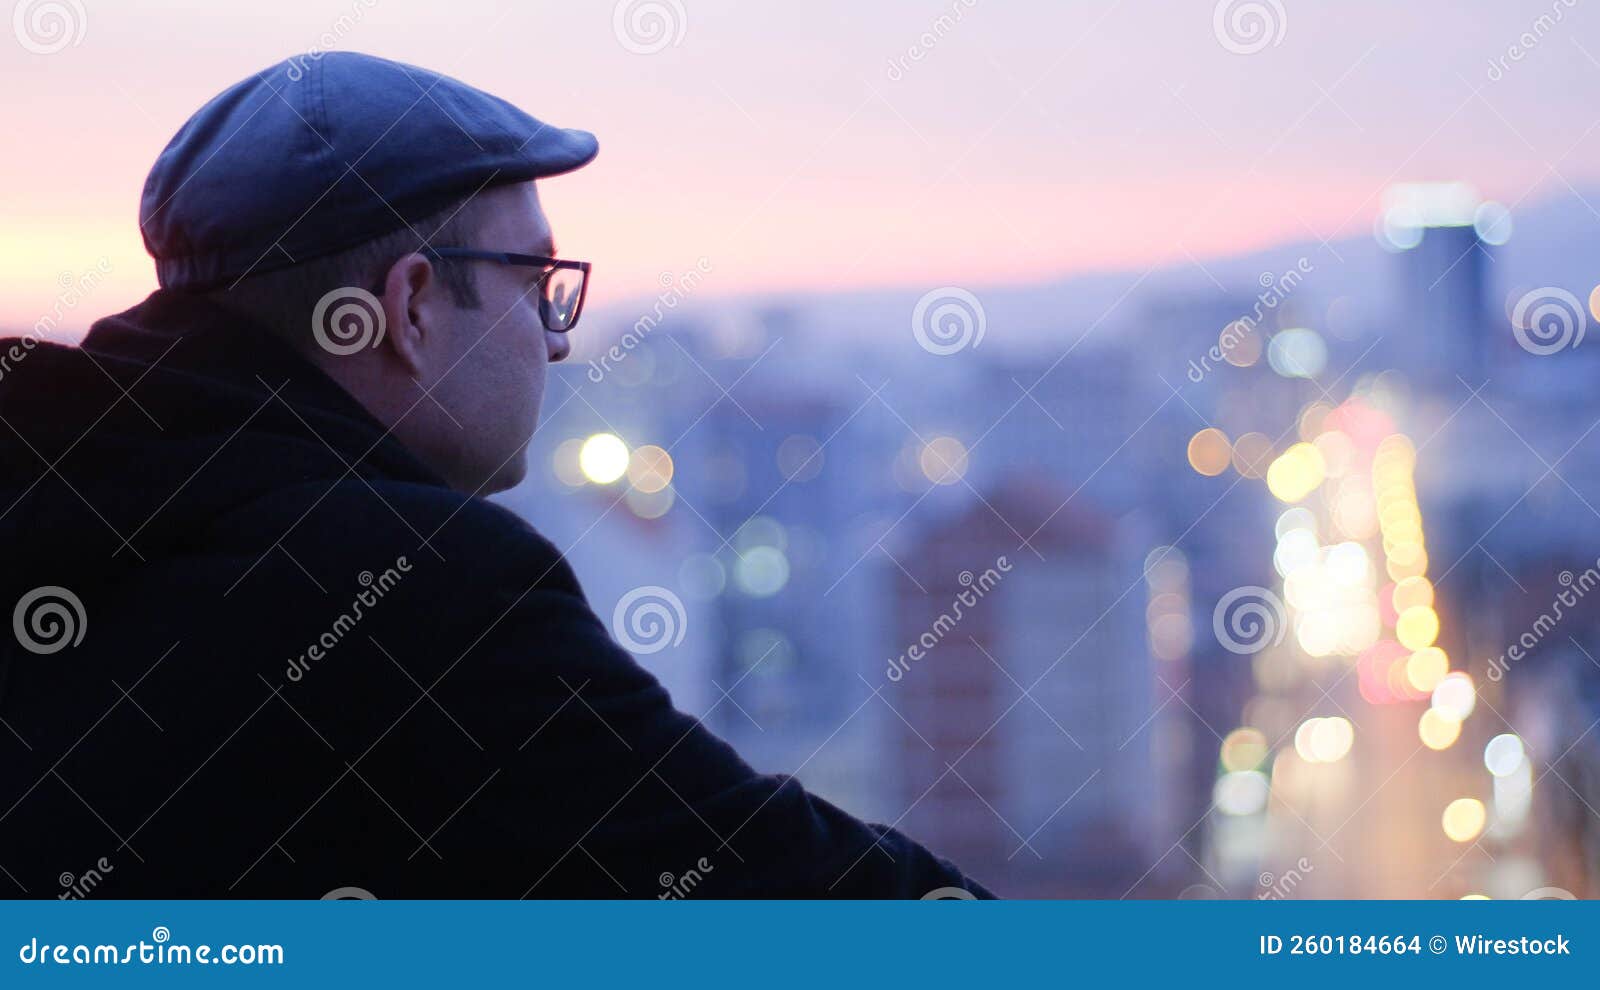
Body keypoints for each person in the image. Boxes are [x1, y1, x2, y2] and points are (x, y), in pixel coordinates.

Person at [0, 52, 990, 898]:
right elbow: (773, 889)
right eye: (540, 287)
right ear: (413, 304)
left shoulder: (56, 488)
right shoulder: (416, 587)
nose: (557, 345)